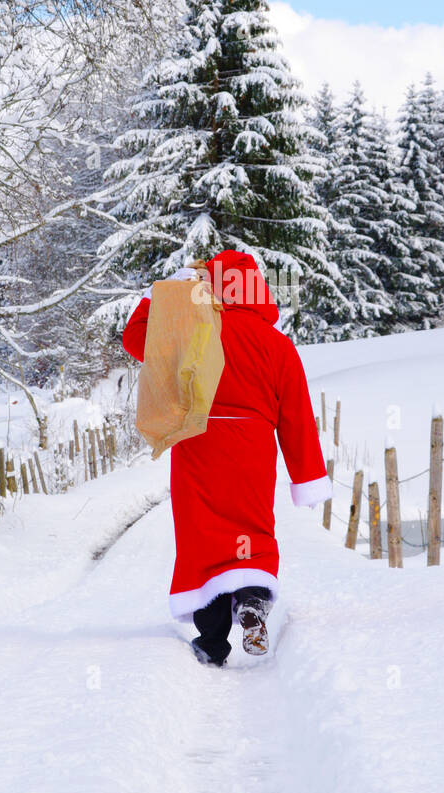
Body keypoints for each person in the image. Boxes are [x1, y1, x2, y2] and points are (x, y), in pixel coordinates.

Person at [122, 249, 331, 666]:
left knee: (202, 535)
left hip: (198, 440)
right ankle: (252, 599)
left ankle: (213, 640)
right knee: (250, 528)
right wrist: (306, 476)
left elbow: (136, 339)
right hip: (252, 446)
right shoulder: (278, 345)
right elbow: (296, 416)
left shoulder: (191, 330)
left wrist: (167, 291)